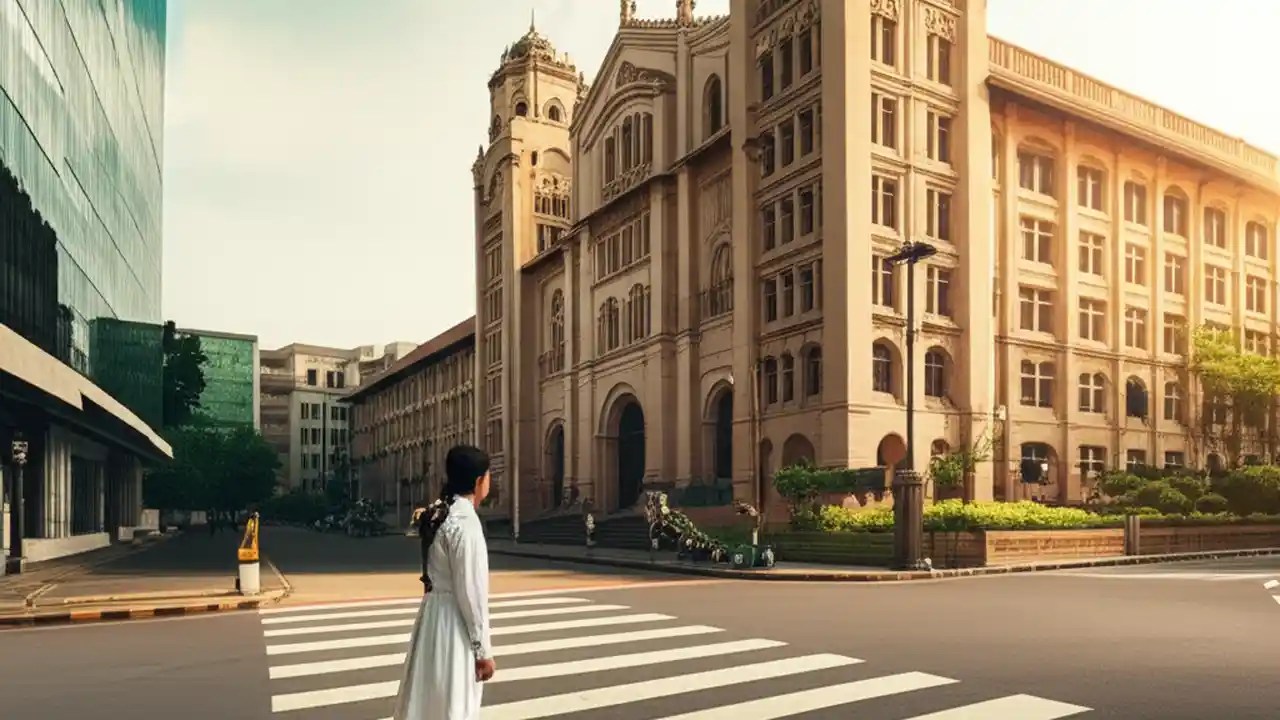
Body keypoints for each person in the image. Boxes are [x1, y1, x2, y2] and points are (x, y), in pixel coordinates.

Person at [393, 444, 496, 720]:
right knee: (454, 702)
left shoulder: (440, 514)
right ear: (478, 481)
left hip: (432, 616)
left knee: (429, 699)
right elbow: (472, 594)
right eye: (489, 476)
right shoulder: (466, 523)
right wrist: (482, 650)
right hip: (454, 624)